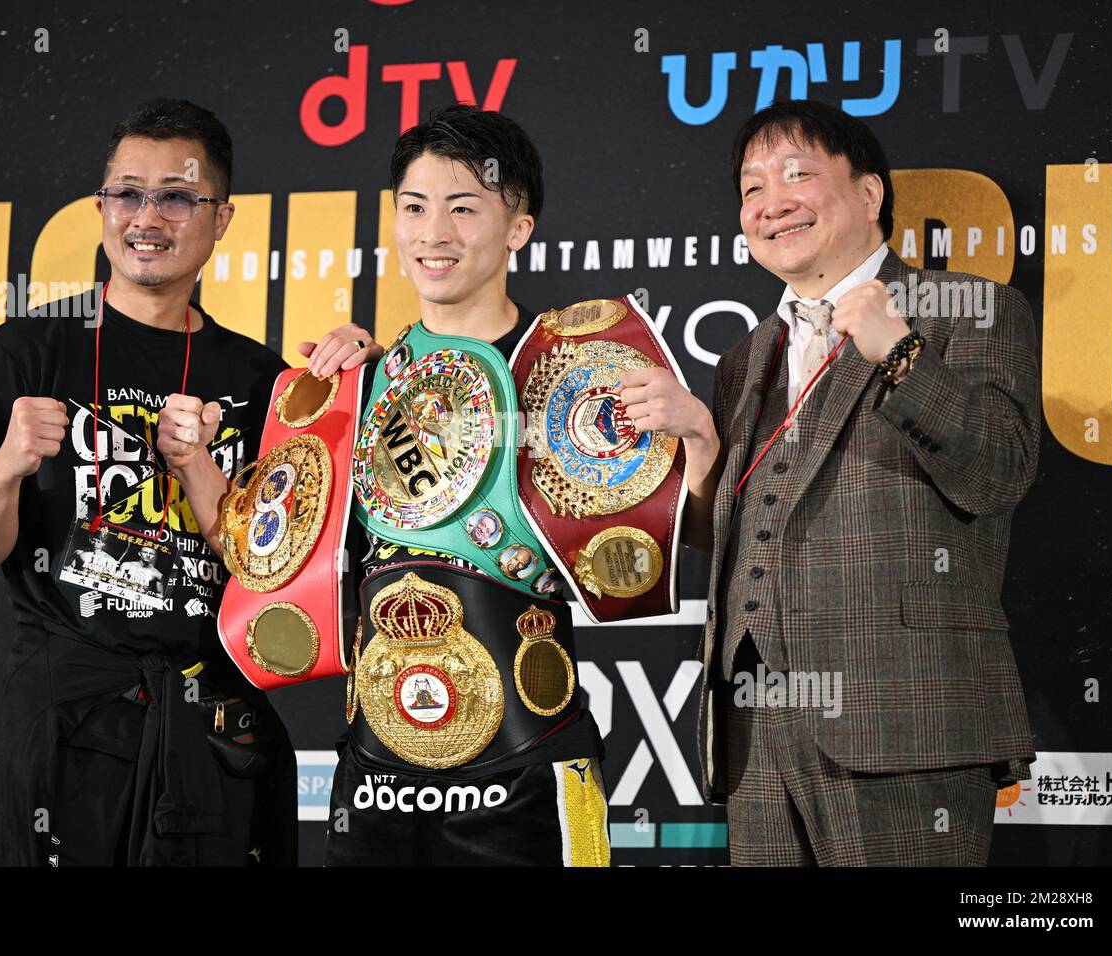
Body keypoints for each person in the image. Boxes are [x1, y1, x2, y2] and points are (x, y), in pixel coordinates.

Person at [628, 98, 1040, 865]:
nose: (770, 204)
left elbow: (998, 472)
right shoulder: (745, 358)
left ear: (870, 194)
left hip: (902, 723)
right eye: (751, 188)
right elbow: (739, 538)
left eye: (797, 175)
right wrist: (702, 448)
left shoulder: (972, 311)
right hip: (756, 737)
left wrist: (901, 354)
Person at [0, 97, 339, 866]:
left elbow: (270, 570)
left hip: (209, 730)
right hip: (64, 728)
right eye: (128, 192)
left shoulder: (263, 381)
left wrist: (200, 468)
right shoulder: (24, 352)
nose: (147, 217)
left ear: (221, 218)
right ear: (100, 208)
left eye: (178, 196)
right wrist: (8, 464)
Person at [307, 104, 611, 866]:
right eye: (414, 208)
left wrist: (697, 441)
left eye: (463, 207)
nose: (432, 232)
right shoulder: (356, 381)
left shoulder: (576, 383)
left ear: (518, 227)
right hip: (375, 780)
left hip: (527, 770)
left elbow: (644, 563)